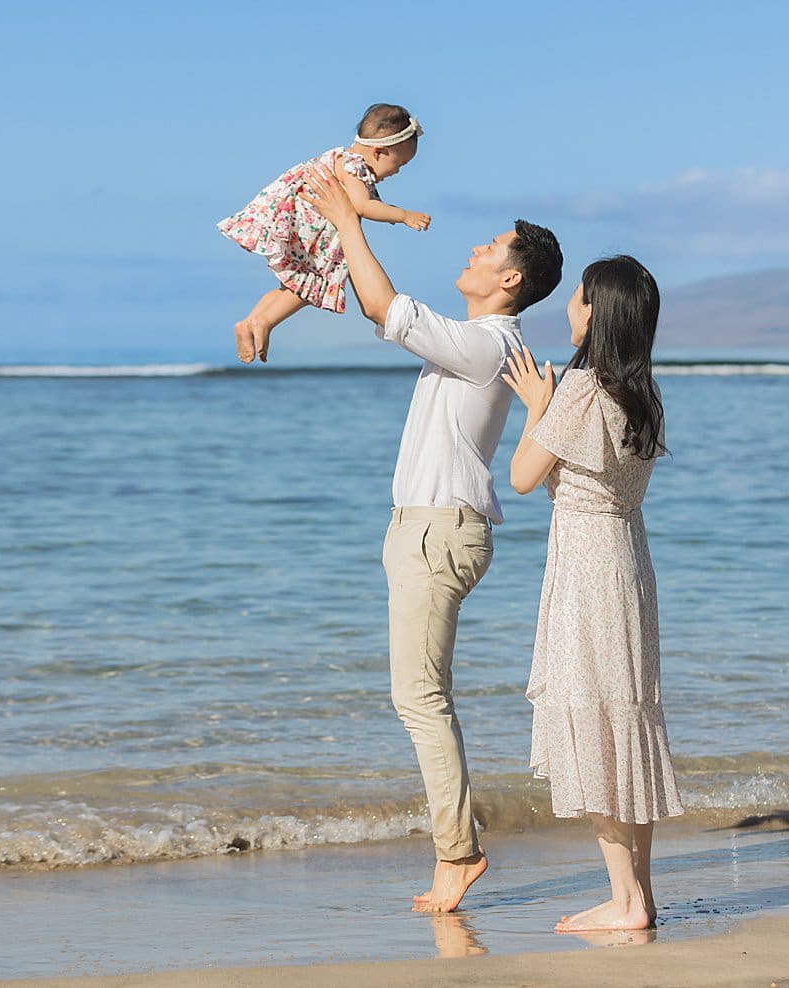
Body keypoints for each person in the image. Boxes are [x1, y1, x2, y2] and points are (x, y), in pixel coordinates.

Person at [300, 163, 564, 913]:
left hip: (438, 531)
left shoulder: (487, 344)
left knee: (419, 698)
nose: (475, 250)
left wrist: (349, 221)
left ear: (510, 280)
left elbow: (382, 304)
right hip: (427, 529)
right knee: (421, 695)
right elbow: (380, 308)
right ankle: (458, 847)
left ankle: (459, 853)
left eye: (490, 247)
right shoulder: (475, 340)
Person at [502, 255, 684, 933]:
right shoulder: (642, 393)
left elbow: (522, 476)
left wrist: (537, 407)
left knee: (594, 722)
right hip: (629, 560)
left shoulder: (580, 390)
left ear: (596, 313)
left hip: (586, 567)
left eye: (578, 298)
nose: (568, 307)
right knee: (624, 718)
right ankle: (640, 894)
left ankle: (625, 900)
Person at [218, 103, 432, 364]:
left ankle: (250, 322)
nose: (397, 172)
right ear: (379, 152)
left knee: (291, 287)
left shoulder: (339, 156)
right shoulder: (354, 167)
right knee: (309, 285)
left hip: (300, 224)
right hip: (313, 233)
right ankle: (263, 322)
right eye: (398, 164)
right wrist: (403, 215)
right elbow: (363, 206)